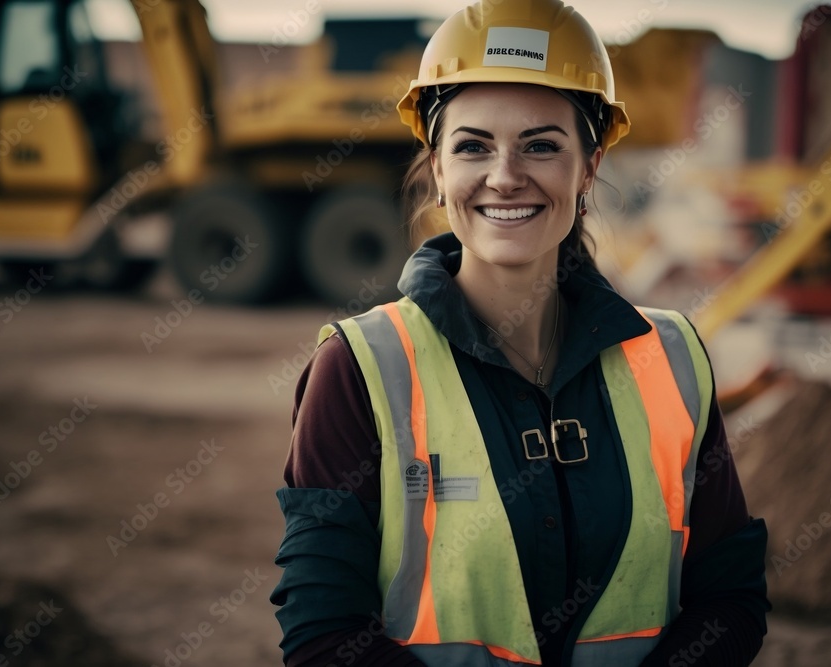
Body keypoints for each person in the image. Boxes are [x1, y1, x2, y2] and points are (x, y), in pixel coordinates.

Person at [271, 0, 770, 664]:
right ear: (439, 169)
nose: (506, 176)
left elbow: (729, 598)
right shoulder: (361, 369)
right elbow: (323, 634)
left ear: (588, 168)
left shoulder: (674, 358)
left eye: (541, 145)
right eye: (474, 145)